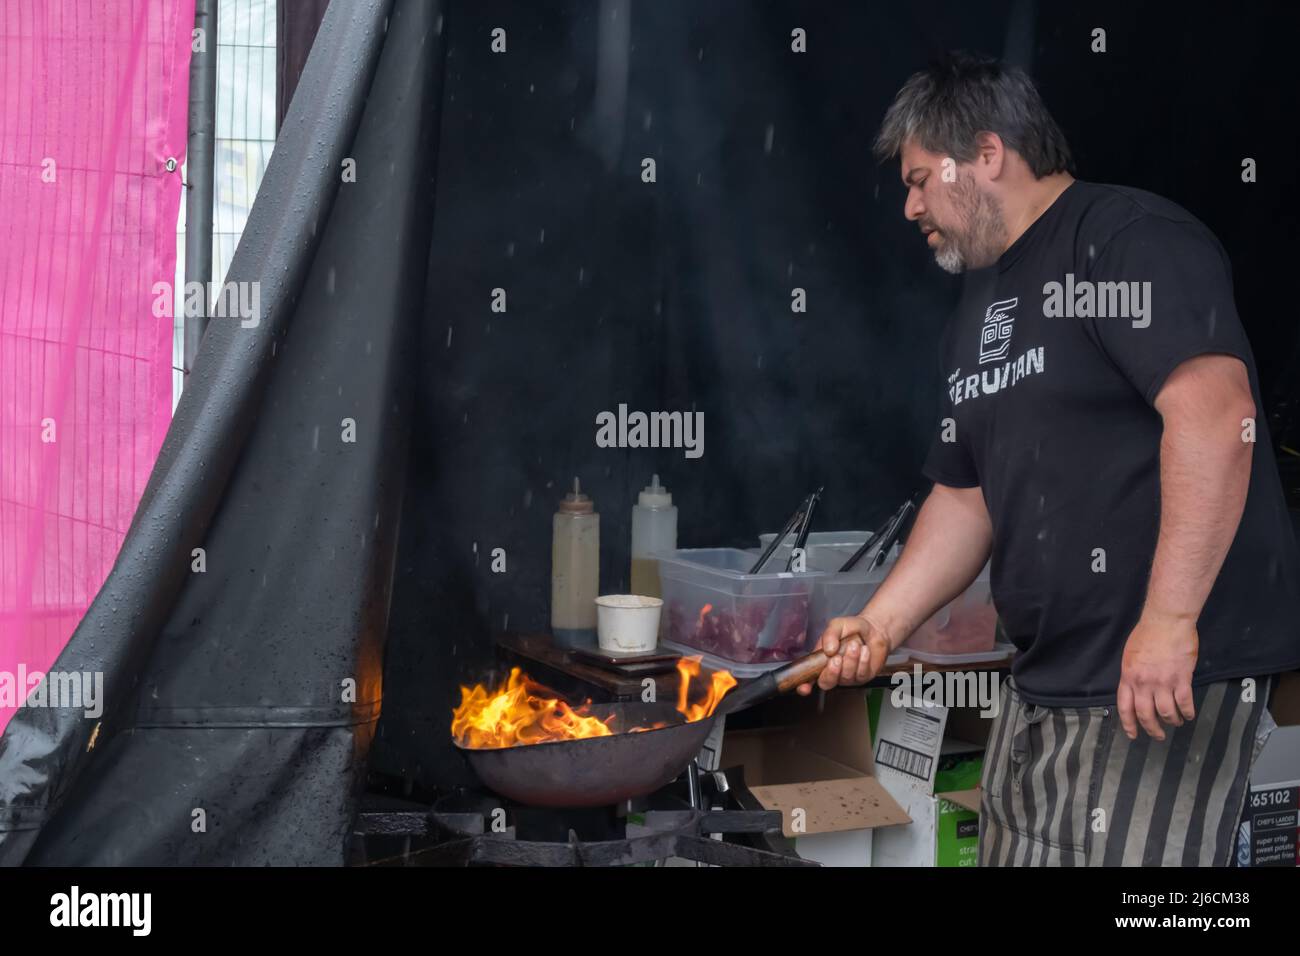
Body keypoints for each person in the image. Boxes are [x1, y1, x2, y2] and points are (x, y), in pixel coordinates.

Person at [798, 52, 1300, 866]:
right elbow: (965, 498)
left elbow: (1217, 421)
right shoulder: (977, 308)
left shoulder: (1128, 240)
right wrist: (881, 624)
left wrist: (1169, 623)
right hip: (1042, 689)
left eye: (922, 178)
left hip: (1161, 685)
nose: (909, 205)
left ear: (988, 154)